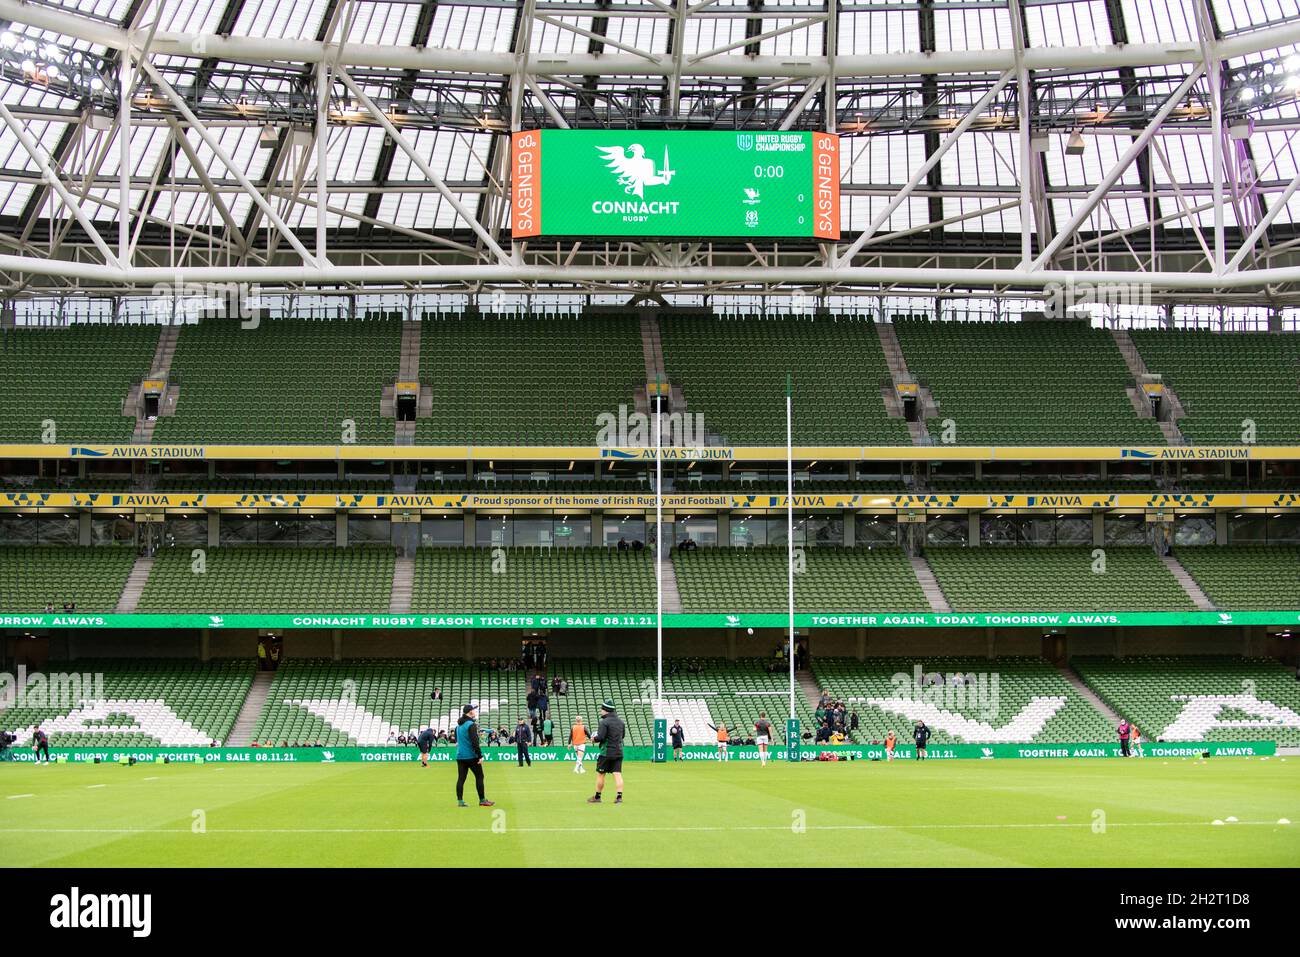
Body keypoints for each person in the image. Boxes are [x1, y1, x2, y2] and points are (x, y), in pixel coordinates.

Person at [454, 704, 494, 807]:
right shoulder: (471, 724)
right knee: (480, 776)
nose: (474, 712)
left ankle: (460, 801)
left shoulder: (458, 726)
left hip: (460, 755)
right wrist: (479, 755)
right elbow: (475, 741)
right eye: (473, 710)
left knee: (461, 778)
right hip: (471, 755)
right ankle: (482, 800)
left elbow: (457, 741)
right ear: (470, 712)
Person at [587, 698, 625, 804]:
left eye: (601, 709)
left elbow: (601, 737)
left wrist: (593, 739)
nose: (600, 711)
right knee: (617, 774)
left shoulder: (604, 722)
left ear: (606, 710)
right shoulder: (621, 722)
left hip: (606, 752)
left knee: (601, 774)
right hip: (618, 751)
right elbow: (623, 736)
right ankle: (619, 797)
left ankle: (597, 797)